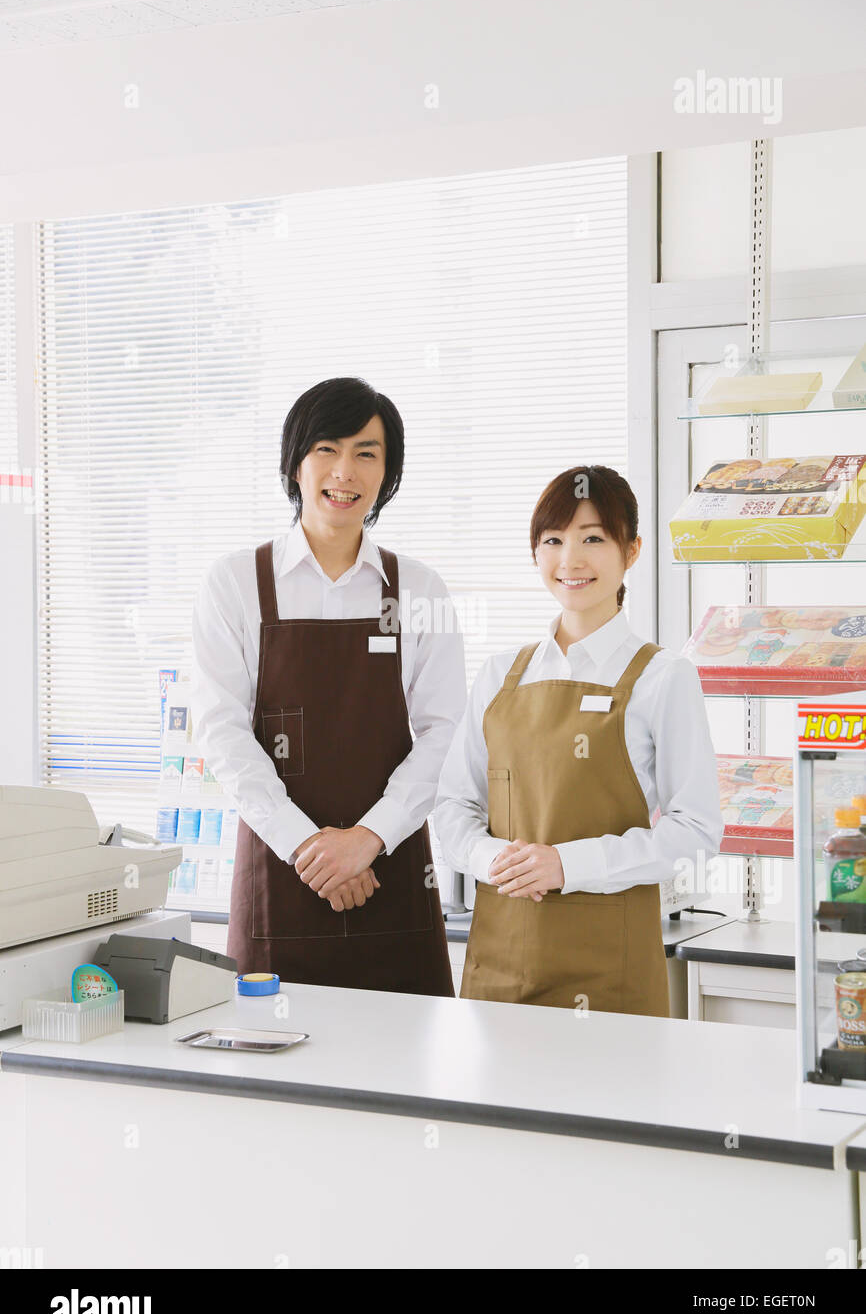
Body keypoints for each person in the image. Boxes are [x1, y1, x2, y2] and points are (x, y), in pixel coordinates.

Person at [191, 377, 465, 995]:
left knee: (408, 1078)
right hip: (279, 876)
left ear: (387, 474)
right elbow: (223, 734)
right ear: (295, 463)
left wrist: (369, 838)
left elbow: (446, 733)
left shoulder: (422, 590)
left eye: (366, 453)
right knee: (271, 1077)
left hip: (392, 877)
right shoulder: (234, 583)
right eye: (327, 449)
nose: (346, 471)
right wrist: (310, 848)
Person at [433, 464, 724, 1016]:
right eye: (553, 540)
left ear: (632, 551)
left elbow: (697, 830)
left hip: (610, 971)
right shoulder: (499, 674)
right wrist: (495, 858)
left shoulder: (664, 677)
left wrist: (568, 865)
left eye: (593, 538)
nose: (570, 559)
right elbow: (454, 806)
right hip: (500, 963)